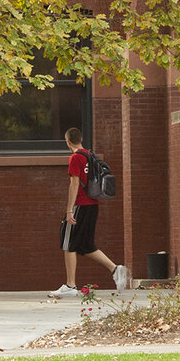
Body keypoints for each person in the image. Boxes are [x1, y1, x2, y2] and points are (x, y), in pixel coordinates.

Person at [51, 126, 128, 298]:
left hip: (80, 205)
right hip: (93, 205)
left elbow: (74, 184)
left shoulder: (75, 158)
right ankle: (116, 269)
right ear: (81, 139)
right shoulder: (89, 155)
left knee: (68, 241)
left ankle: (70, 285)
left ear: (68, 141)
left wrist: (69, 210)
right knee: (86, 245)